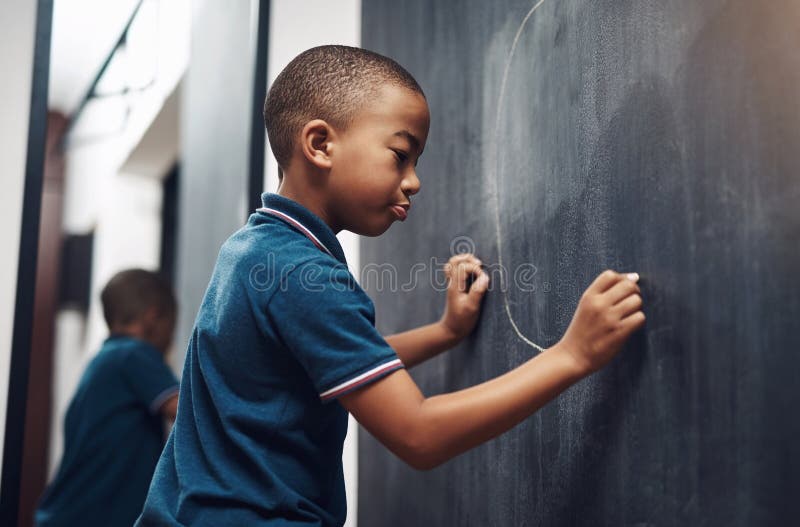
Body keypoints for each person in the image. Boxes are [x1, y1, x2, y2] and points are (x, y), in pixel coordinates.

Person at [137, 45, 645, 526]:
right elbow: (418, 433)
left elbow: (333, 359)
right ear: (320, 144)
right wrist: (573, 355)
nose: (414, 181)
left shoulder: (254, 250)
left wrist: (446, 332)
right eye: (401, 155)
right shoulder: (303, 274)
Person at [36, 269, 180, 527]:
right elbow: (186, 410)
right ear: (154, 317)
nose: (171, 340)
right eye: (172, 327)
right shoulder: (134, 354)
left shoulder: (102, 362)